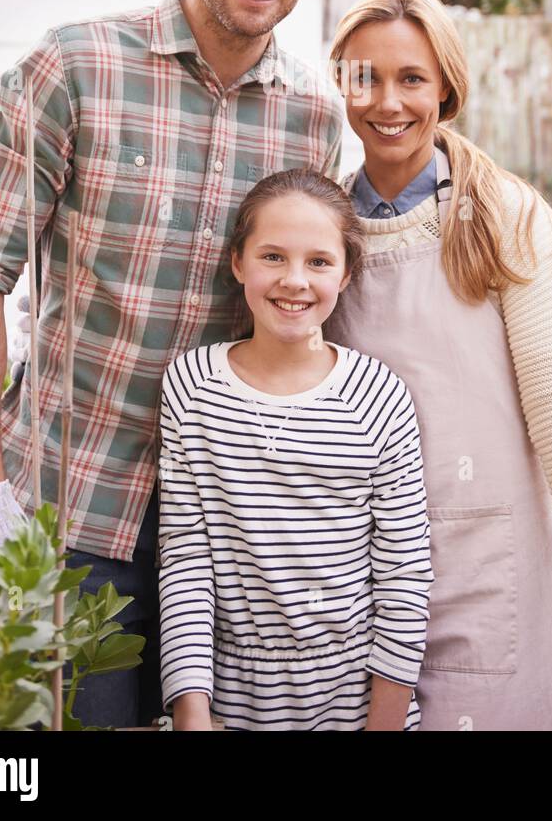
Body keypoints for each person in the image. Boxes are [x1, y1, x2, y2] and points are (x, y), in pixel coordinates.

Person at [0, 0, 344, 728]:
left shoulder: (314, 116)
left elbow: (315, 307)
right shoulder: (74, 67)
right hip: (70, 516)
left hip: (233, 529)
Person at [321, 0, 552, 731]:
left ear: (447, 87)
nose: (388, 102)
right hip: (353, 575)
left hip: (490, 571)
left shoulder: (509, 218)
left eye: (412, 78)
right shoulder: (318, 224)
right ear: (341, 85)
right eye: (366, 78)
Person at [158, 171, 433, 731]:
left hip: (357, 703)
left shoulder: (378, 396)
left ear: (347, 272)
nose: (295, 281)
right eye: (273, 256)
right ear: (238, 263)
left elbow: (404, 572)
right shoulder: (191, 386)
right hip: (230, 700)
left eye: (319, 262)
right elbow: (185, 561)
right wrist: (191, 713)